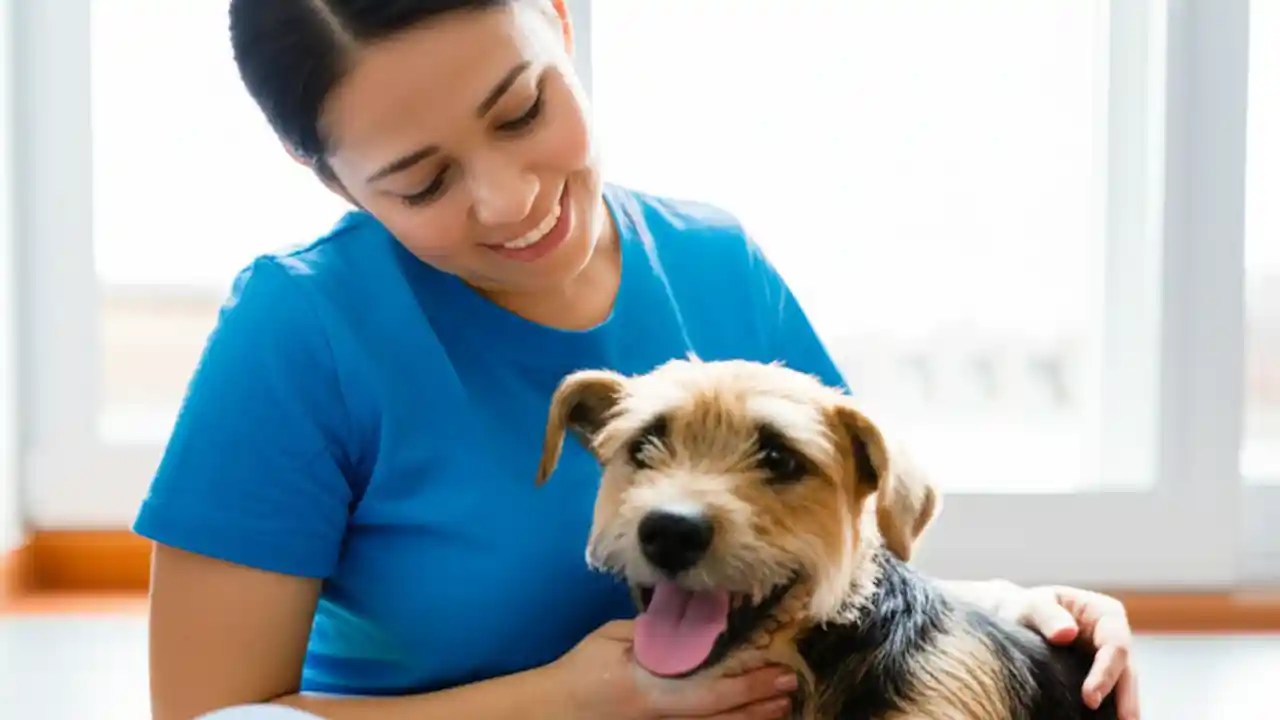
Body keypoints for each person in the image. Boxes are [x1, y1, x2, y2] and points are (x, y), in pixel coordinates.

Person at [133, 1, 1141, 719]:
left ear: (561, 21)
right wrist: (559, 704)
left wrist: (1012, 620)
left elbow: (836, 554)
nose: (509, 199)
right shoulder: (296, 333)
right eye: (422, 180)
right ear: (328, 178)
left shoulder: (714, 261)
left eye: (522, 110)